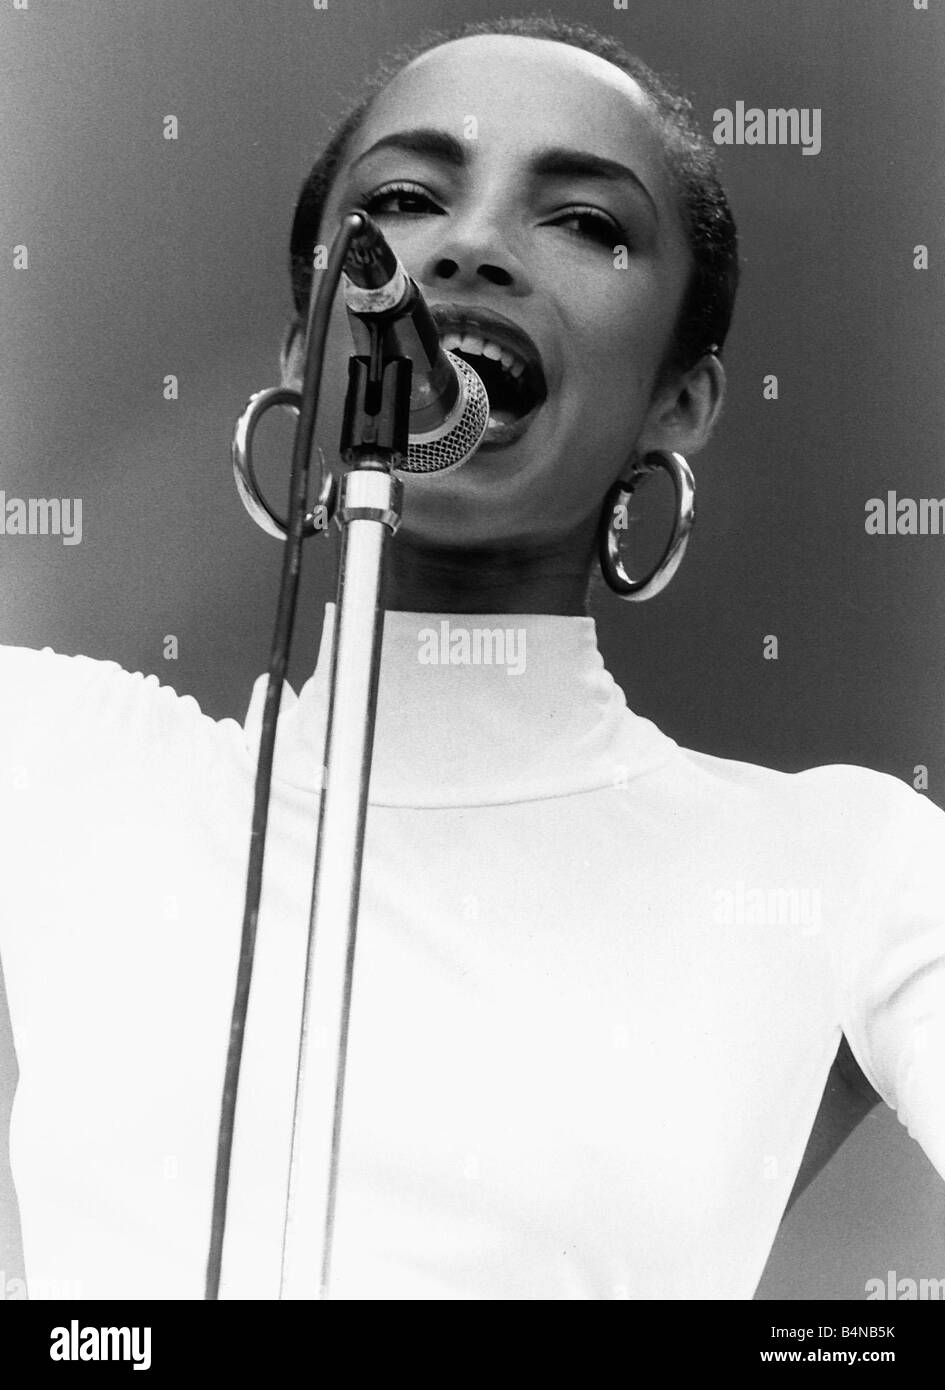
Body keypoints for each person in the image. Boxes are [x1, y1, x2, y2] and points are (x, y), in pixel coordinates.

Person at [0, 15, 942, 1301]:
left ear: (681, 401)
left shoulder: (844, 869)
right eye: (402, 199)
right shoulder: (55, 765)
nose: (472, 244)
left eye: (587, 222)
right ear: (303, 350)